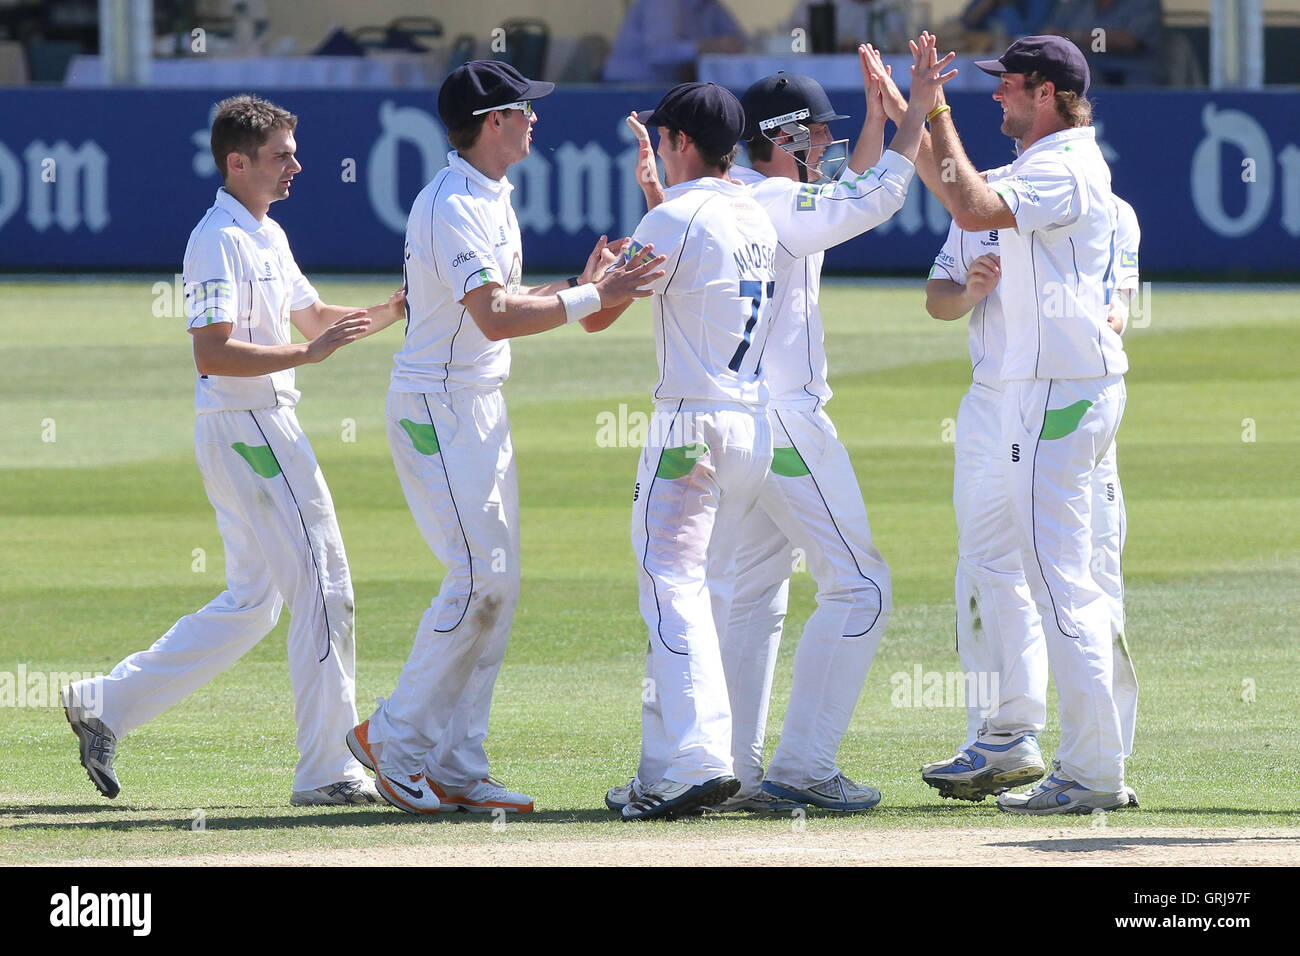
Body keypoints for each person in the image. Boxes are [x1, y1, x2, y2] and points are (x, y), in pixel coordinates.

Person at [607, 55, 943, 815]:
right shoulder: (772, 203)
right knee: (861, 588)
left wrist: (879, 121)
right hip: (783, 425)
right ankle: (803, 765)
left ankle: (727, 768)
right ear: (783, 136)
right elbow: (872, 195)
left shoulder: (749, 196)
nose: (827, 145)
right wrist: (917, 113)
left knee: (752, 597)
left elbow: (846, 191)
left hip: (745, 423)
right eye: (817, 133)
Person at [62, 94, 407, 807]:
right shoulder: (216, 239)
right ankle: (328, 770)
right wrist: (307, 355)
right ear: (237, 162)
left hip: (253, 427)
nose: (296, 167)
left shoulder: (266, 233)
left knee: (255, 603)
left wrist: (399, 308)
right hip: (250, 429)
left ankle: (104, 703)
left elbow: (317, 317)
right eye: (282, 156)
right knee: (325, 588)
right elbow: (213, 353)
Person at [345, 61, 663, 816]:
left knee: (498, 587)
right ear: (493, 122)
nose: (534, 119)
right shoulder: (451, 202)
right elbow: (493, 316)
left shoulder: (490, 193)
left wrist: (578, 287)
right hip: (436, 410)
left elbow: (503, 302)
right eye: (524, 109)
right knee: (476, 580)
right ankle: (390, 741)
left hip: (477, 406)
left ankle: (456, 764)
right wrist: (593, 294)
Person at [889, 33, 1137, 814]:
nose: (997, 93)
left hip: (1057, 392)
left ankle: (1094, 770)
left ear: (1049, 93)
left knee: (1063, 583)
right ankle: (1023, 740)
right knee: (1012, 568)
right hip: (1041, 390)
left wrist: (935, 112)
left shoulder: (1064, 166)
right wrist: (910, 114)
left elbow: (970, 204)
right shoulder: (1038, 166)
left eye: (1010, 83)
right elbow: (956, 189)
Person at [919, 191, 1142, 801]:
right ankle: (1004, 735)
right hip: (993, 403)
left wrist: (1065, 313)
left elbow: (1119, 312)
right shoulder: (981, 207)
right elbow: (937, 298)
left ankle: (1103, 751)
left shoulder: (1112, 213)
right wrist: (971, 292)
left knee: (1091, 571)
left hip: (1068, 394)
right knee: (987, 566)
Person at [604, 80, 780, 821]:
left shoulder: (675, 217)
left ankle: (701, 760)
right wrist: (657, 200)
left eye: (664, 139)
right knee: (703, 595)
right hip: (751, 426)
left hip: (689, 427)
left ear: (678, 142)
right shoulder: (753, 208)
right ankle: (664, 768)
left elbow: (606, 305)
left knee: (671, 591)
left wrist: (598, 277)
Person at [603, 0, 746, 83]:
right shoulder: (662, 3)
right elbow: (657, 53)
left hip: (670, 87)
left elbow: (740, 41)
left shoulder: (710, 5)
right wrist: (706, 47)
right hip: (630, 88)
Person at [1043, 0, 1165, 86]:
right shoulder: (1075, 5)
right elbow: (1050, 37)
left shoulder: (1144, 3)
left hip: (1136, 76)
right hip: (1090, 74)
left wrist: (1076, 36)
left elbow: (1129, 41)